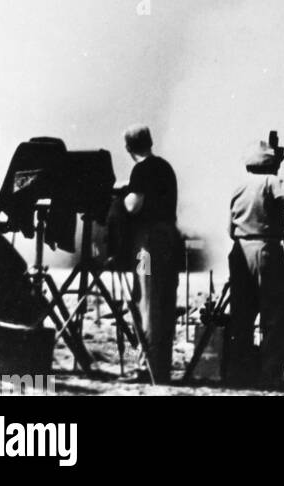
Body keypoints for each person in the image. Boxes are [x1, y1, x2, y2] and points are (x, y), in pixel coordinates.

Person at [226, 133, 284, 389]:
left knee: (242, 315)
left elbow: (230, 227)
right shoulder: (272, 182)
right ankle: (270, 375)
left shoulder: (239, 186)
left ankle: (241, 372)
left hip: (239, 250)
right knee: (275, 317)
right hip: (265, 250)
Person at [122, 124, 180, 383]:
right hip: (168, 238)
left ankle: (147, 366)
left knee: (147, 300)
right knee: (165, 299)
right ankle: (162, 366)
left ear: (128, 148)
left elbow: (134, 206)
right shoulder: (165, 167)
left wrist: (123, 196)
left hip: (147, 243)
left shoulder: (141, 170)